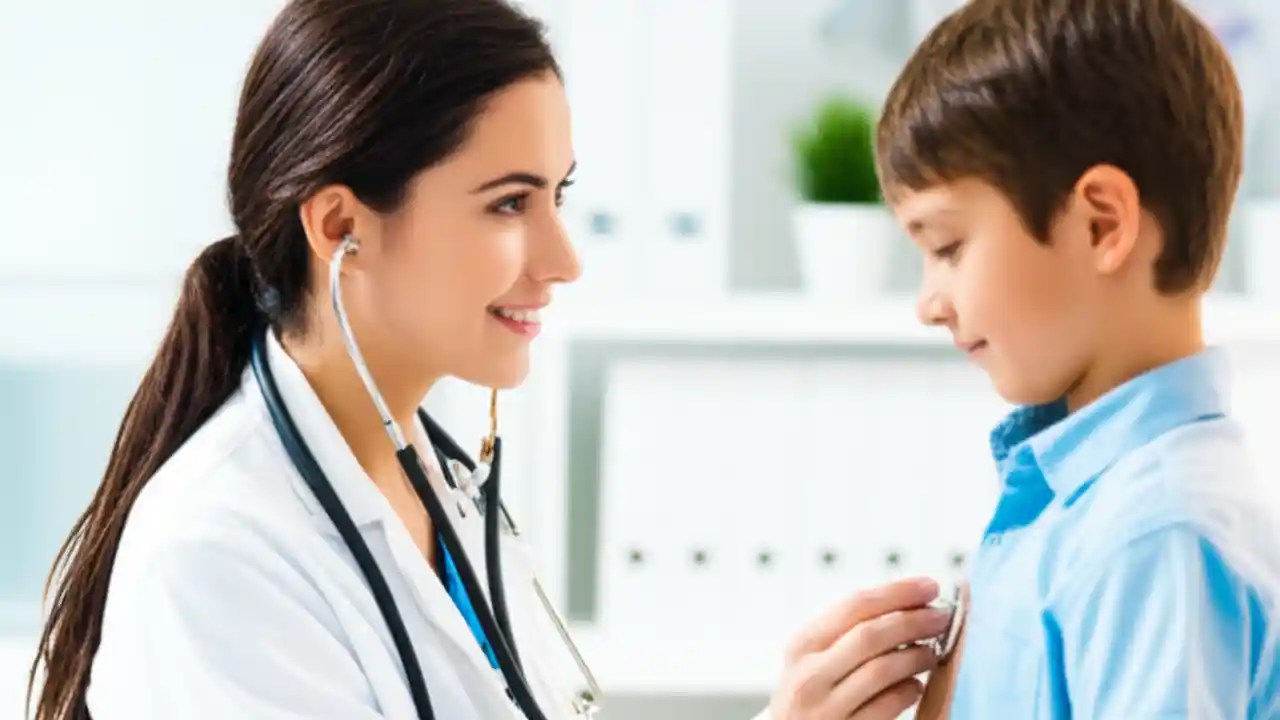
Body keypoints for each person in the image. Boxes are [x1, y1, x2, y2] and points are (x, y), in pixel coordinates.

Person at [27, 1, 951, 718]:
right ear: (342, 227)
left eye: (558, 195)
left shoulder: (438, 487)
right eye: (510, 204)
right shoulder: (220, 555)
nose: (564, 257)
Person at [875, 0, 1280, 717]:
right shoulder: (1085, 506)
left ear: (1102, 223)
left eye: (946, 248)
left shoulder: (1153, 536)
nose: (929, 302)